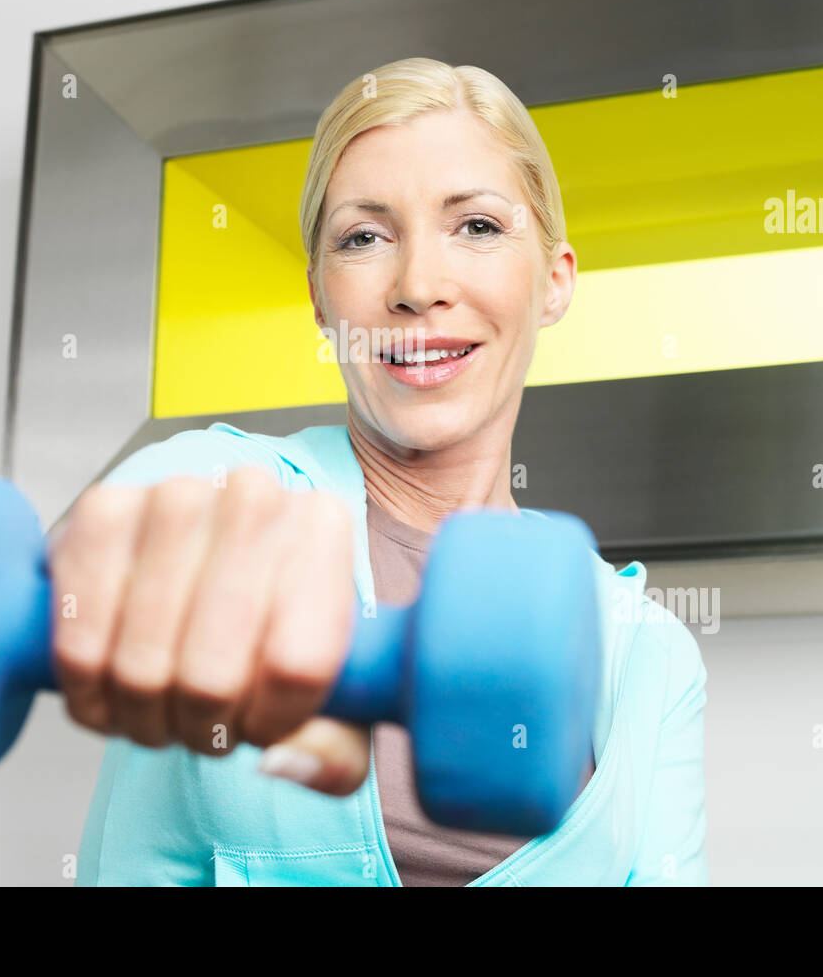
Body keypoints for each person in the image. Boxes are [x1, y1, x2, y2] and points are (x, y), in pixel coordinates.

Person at [52, 56, 709, 886]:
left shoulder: (651, 655)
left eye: (475, 226)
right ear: (320, 299)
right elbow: (132, 515)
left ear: (553, 280)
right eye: (364, 237)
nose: (419, 286)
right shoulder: (243, 497)